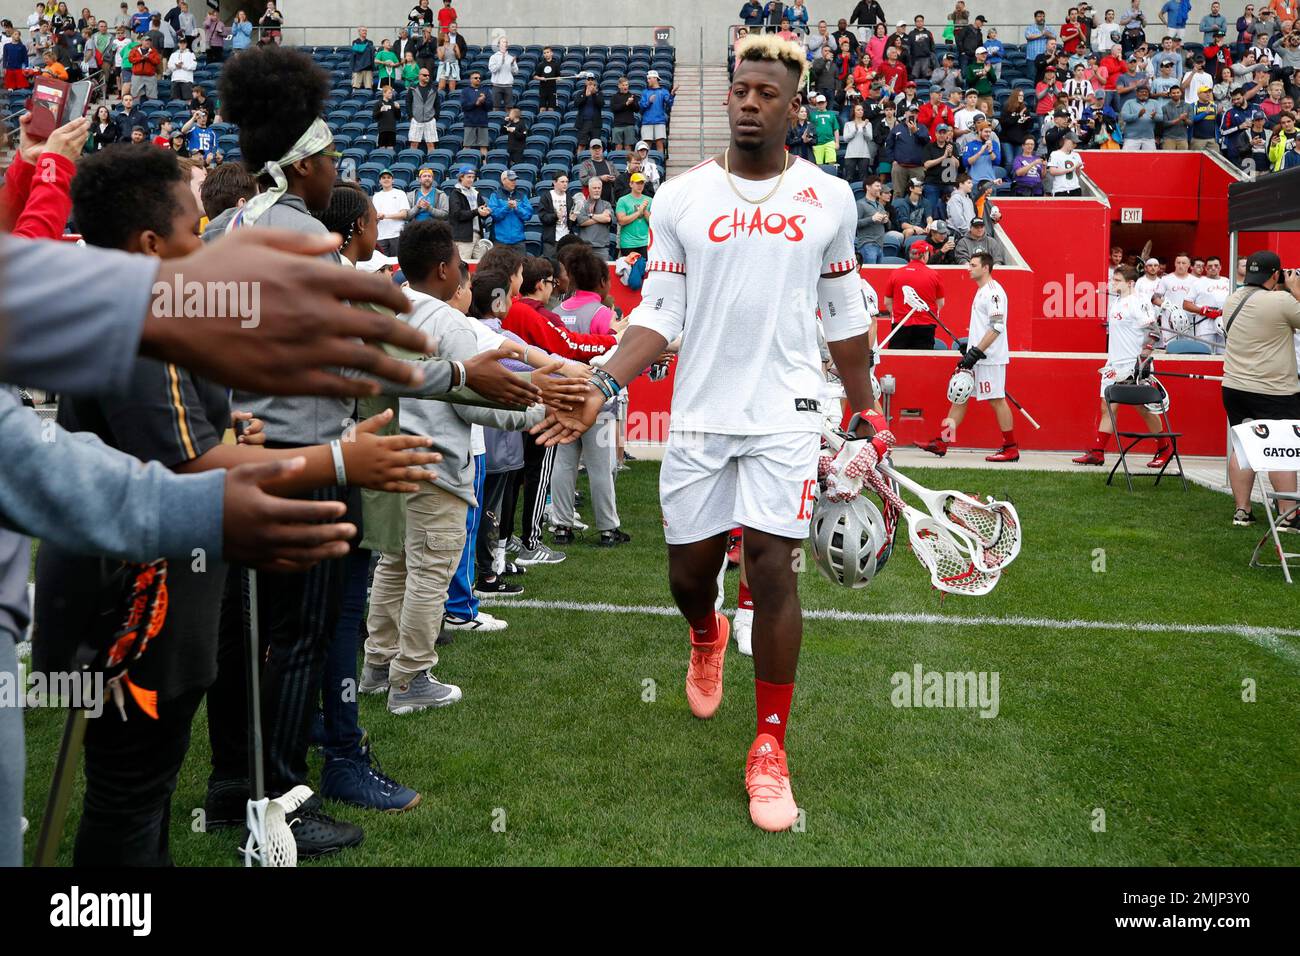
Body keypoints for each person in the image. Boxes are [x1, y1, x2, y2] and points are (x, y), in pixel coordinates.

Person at [34, 148, 440, 865]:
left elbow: (175, 438)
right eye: (196, 231)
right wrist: (340, 460)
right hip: (130, 607)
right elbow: (189, 467)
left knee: (143, 785)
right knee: (129, 786)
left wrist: (231, 429)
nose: (209, 248)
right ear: (151, 245)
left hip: (152, 591)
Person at [201, 44, 539, 856]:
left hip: (234, 459)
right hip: (310, 462)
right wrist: (463, 372)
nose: (336, 174)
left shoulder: (219, 228)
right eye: (331, 159)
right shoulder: (307, 242)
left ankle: (227, 789)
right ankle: (280, 796)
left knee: (239, 640)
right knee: (298, 639)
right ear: (309, 161)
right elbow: (360, 358)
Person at [532, 35, 874, 832]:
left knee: (774, 569)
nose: (750, 101)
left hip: (788, 414)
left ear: (796, 108)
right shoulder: (681, 199)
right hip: (699, 418)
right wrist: (605, 383)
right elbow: (661, 312)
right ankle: (705, 630)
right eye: (741, 88)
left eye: (767, 92)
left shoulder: (830, 198)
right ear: (727, 96)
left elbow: (846, 314)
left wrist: (867, 410)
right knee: (688, 574)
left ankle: (769, 747)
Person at [363, 221, 550, 712]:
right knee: (430, 570)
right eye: (460, 265)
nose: (465, 274)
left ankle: (377, 666)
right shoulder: (444, 322)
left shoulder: (387, 307)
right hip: (437, 465)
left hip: (390, 459)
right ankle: (411, 680)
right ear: (443, 269)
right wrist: (541, 409)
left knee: (395, 564)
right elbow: (478, 396)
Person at [1218, 251, 1300, 525]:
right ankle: (1288, 516)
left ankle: (1243, 510)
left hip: (1234, 386)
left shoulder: (1233, 299)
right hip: (1274, 389)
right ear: (1275, 274)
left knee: (1242, 446)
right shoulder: (1282, 301)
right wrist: (1295, 288)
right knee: (1281, 449)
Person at [913, 253, 1019, 461]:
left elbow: (997, 327)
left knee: (997, 399)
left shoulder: (994, 292)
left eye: (973, 265)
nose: (968, 268)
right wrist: (969, 348)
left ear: (986, 268)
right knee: (960, 397)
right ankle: (942, 442)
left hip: (989, 358)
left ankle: (1011, 448)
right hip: (977, 356)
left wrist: (977, 351)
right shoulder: (981, 291)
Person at [1072, 263, 1169, 466]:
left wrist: (1142, 359)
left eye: (1117, 281)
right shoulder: (1116, 301)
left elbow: (1153, 332)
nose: (1112, 283)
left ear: (1130, 283)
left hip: (1132, 365)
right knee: (1107, 406)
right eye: (1112, 279)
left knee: (1143, 408)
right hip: (1113, 365)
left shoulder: (1138, 302)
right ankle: (1098, 452)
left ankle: (1165, 449)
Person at [447, 164, 489, 260]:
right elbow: (457, 214)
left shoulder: (476, 192)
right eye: (468, 177)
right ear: (461, 177)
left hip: (478, 235)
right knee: (463, 267)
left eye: (473, 177)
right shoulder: (455, 193)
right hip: (463, 237)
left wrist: (486, 211)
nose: (471, 180)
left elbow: (482, 210)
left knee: (480, 266)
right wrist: (477, 211)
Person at [487, 169, 533, 253]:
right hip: (500, 241)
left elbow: (528, 215)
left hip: (518, 240)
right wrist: (507, 207)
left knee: (521, 266)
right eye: (511, 180)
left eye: (515, 179)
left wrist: (517, 208)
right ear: (503, 180)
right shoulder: (495, 195)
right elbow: (495, 215)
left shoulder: (522, 196)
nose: (514, 182)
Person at [570, 177, 614, 259]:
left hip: (602, 248)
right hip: (585, 247)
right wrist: (601, 217)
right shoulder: (582, 204)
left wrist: (591, 215)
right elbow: (582, 222)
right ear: (589, 189)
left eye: (599, 188)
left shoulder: (606, 204)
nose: (597, 190)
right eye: (594, 188)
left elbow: (607, 219)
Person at [373, 169, 410, 256]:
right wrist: (376, 217)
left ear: (392, 180)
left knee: (396, 263)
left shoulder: (400, 193)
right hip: (380, 235)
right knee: (382, 265)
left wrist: (385, 216)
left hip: (396, 234)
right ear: (380, 181)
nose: (386, 179)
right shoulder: (376, 196)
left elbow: (404, 214)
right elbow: (374, 216)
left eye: (389, 177)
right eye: (383, 178)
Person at [615, 172, 652, 258]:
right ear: (631, 184)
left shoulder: (649, 200)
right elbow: (621, 221)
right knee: (628, 269)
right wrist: (638, 212)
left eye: (642, 183)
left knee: (644, 269)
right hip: (628, 243)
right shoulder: (623, 200)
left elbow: (653, 223)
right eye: (637, 183)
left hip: (645, 242)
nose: (640, 185)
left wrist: (645, 210)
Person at [640, 68, 675, 153]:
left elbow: (669, 103)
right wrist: (649, 102)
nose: (648, 80)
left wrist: (672, 94)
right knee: (646, 146)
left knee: (660, 144)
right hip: (647, 121)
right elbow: (641, 106)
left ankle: (660, 165)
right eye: (648, 79)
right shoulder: (645, 92)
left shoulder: (663, 91)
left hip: (659, 121)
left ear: (655, 79)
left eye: (649, 78)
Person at [460, 71, 490, 159]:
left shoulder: (485, 91)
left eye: (479, 78)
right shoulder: (465, 91)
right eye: (476, 78)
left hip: (482, 122)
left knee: (484, 147)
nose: (478, 79)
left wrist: (483, 102)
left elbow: (490, 106)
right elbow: (464, 106)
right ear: (471, 79)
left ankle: (484, 166)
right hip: (469, 122)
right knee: (467, 146)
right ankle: (465, 162)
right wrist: (476, 103)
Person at [407, 65, 438, 150]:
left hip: (430, 120)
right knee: (414, 144)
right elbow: (408, 103)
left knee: (431, 144)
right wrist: (411, 116)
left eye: (428, 75)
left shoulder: (433, 89)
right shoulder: (412, 88)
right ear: (419, 76)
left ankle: (431, 162)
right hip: (416, 119)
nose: (427, 77)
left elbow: (437, 104)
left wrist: (435, 117)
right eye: (425, 75)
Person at [488, 35, 517, 110]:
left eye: (506, 42)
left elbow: (515, 72)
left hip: (508, 86)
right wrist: (501, 61)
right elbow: (493, 70)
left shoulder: (511, 57)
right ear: (499, 44)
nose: (506, 43)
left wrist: (512, 64)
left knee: (509, 108)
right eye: (504, 42)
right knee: (495, 107)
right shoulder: (493, 57)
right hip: (497, 86)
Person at [372, 82, 401, 149]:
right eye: (389, 93)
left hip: (392, 130)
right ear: (384, 93)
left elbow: (398, 117)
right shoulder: (378, 103)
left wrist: (398, 109)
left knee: (390, 148)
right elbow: (374, 117)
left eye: (391, 93)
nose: (391, 95)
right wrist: (380, 111)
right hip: (382, 130)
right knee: (382, 148)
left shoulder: (394, 104)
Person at [166, 33, 195, 101]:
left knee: (188, 99)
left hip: (187, 80)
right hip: (175, 79)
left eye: (184, 43)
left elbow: (193, 66)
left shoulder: (191, 54)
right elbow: (169, 65)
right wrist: (176, 66)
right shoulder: (173, 54)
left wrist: (183, 66)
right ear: (178, 44)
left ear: (186, 44)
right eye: (181, 43)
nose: (182, 44)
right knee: (175, 100)